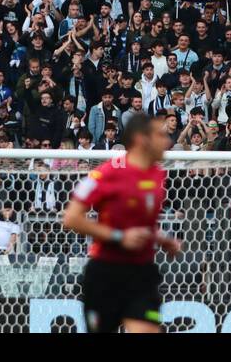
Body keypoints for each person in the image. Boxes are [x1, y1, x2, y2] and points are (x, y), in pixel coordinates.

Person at [62, 112, 182, 333]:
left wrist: (161, 239)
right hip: (106, 274)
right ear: (141, 139)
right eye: (160, 135)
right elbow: (71, 218)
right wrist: (119, 237)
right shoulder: (107, 173)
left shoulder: (157, 174)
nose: (167, 141)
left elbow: (139, 222)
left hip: (142, 274)